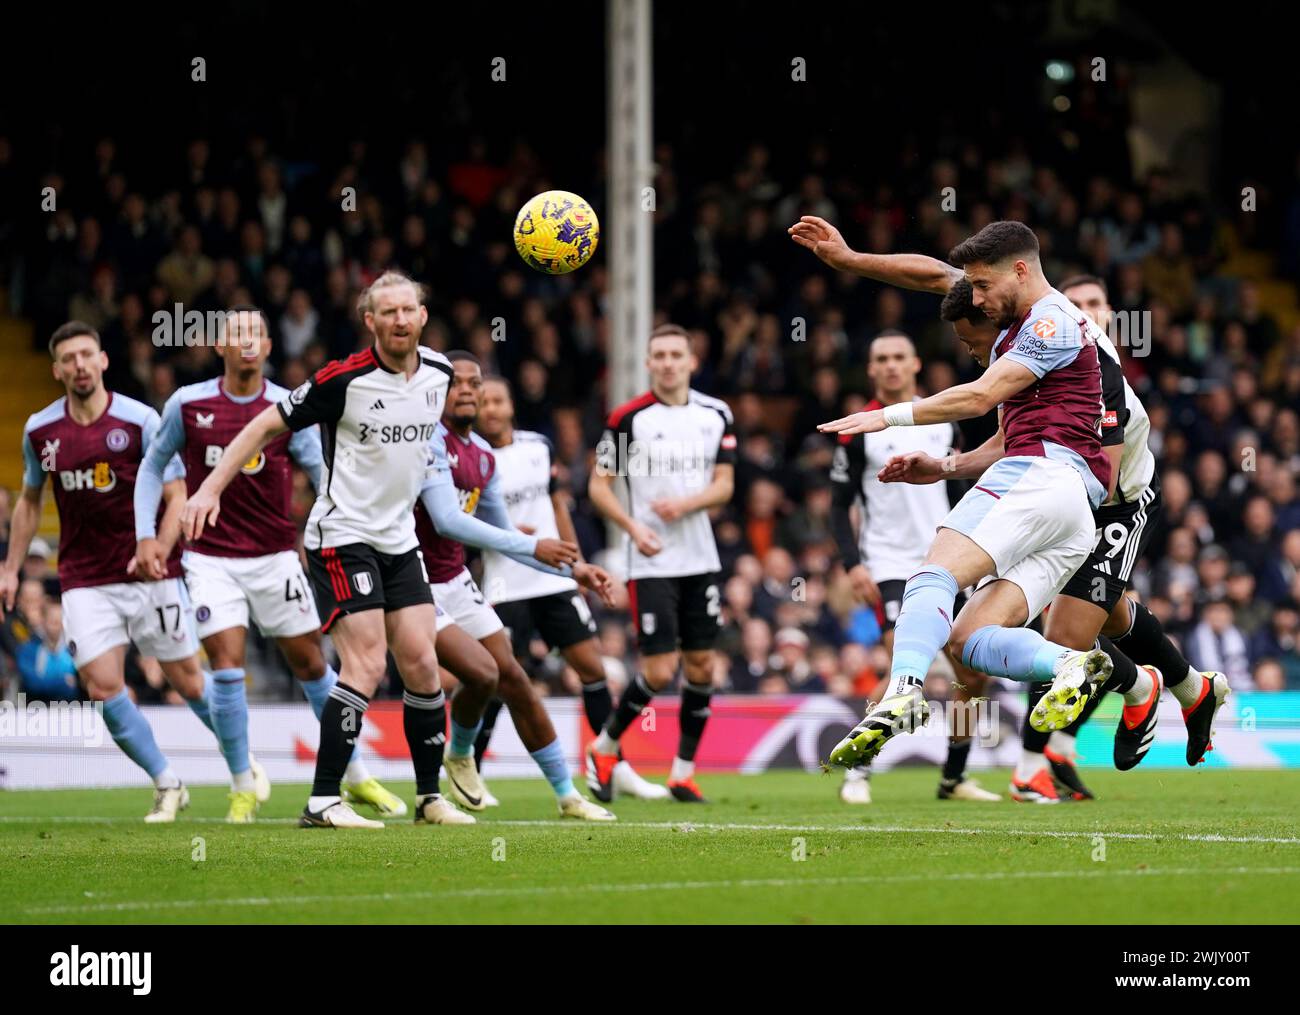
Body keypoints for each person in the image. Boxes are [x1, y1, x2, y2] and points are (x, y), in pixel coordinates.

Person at [790, 218, 1229, 793]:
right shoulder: (1009, 315)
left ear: (1019, 272)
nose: (973, 303)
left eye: (980, 289)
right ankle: (1175, 687)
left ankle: (915, 699)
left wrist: (889, 413)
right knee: (973, 638)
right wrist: (852, 260)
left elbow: (997, 404)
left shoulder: (1057, 330)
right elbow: (937, 279)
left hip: (1110, 492)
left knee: (961, 583)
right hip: (1069, 491)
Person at [182, 271, 466, 829]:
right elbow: (265, 425)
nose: (400, 320)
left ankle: (430, 798)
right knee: (365, 662)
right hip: (342, 537)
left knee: (424, 664)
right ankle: (322, 801)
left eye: (408, 310)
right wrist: (210, 487)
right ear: (371, 321)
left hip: (399, 539)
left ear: (423, 316)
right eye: (388, 313)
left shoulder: (440, 372)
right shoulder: (342, 379)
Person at [134, 306, 405, 818]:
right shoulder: (189, 405)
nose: (248, 341)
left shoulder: (287, 405)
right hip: (210, 559)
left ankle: (357, 776)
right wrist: (147, 535)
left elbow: (324, 472)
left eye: (257, 332)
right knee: (227, 666)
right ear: (221, 347)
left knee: (311, 664)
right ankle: (241, 785)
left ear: (269, 345)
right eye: (237, 334)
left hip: (277, 558)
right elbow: (152, 467)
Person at [3, 321, 256, 823]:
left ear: (103, 361)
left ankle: (241, 763)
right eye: (68, 358)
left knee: (187, 681)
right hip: (83, 577)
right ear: (56, 370)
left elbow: (177, 493)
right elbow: (30, 501)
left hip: (150, 575)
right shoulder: (40, 430)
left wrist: (158, 549)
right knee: (101, 687)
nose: (78, 365)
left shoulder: (140, 420)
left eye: (86, 355)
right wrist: (11, 568)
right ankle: (167, 782)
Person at [412, 352, 616, 821]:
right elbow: (447, 521)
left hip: (455, 580)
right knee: (482, 673)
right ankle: (439, 768)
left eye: (473, 383)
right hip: (412, 578)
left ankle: (568, 796)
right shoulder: (426, 443)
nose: (466, 390)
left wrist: (575, 571)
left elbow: (509, 541)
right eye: (454, 384)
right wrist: (534, 542)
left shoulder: (483, 459)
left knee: (515, 680)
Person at [475, 373, 667, 801]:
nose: (490, 408)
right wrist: (504, 530)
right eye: (483, 402)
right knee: (496, 678)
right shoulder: (469, 457)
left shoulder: (537, 448)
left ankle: (613, 765)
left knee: (594, 670)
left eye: (497, 401)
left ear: (510, 407)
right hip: (505, 585)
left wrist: (576, 565)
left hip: (552, 578)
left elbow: (557, 506)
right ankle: (470, 771)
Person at [829, 330, 999, 804]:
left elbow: (959, 491)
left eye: (898, 357)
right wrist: (852, 564)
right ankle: (858, 770)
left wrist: (979, 549)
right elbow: (837, 505)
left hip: (947, 560)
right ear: (870, 369)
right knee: (903, 669)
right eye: (880, 358)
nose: (890, 366)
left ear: (915, 364)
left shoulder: (943, 422)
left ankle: (954, 776)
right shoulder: (859, 428)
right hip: (887, 564)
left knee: (974, 674)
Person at [586, 323, 737, 803]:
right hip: (650, 561)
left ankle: (682, 772)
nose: (669, 362)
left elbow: (726, 484)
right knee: (657, 671)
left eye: (677, 354)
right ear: (648, 363)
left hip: (700, 559)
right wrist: (633, 528)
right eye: (660, 355)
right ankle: (605, 746)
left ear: (692, 361)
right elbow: (598, 486)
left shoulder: (717, 414)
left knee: (701, 667)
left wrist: (688, 504)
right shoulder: (627, 418)